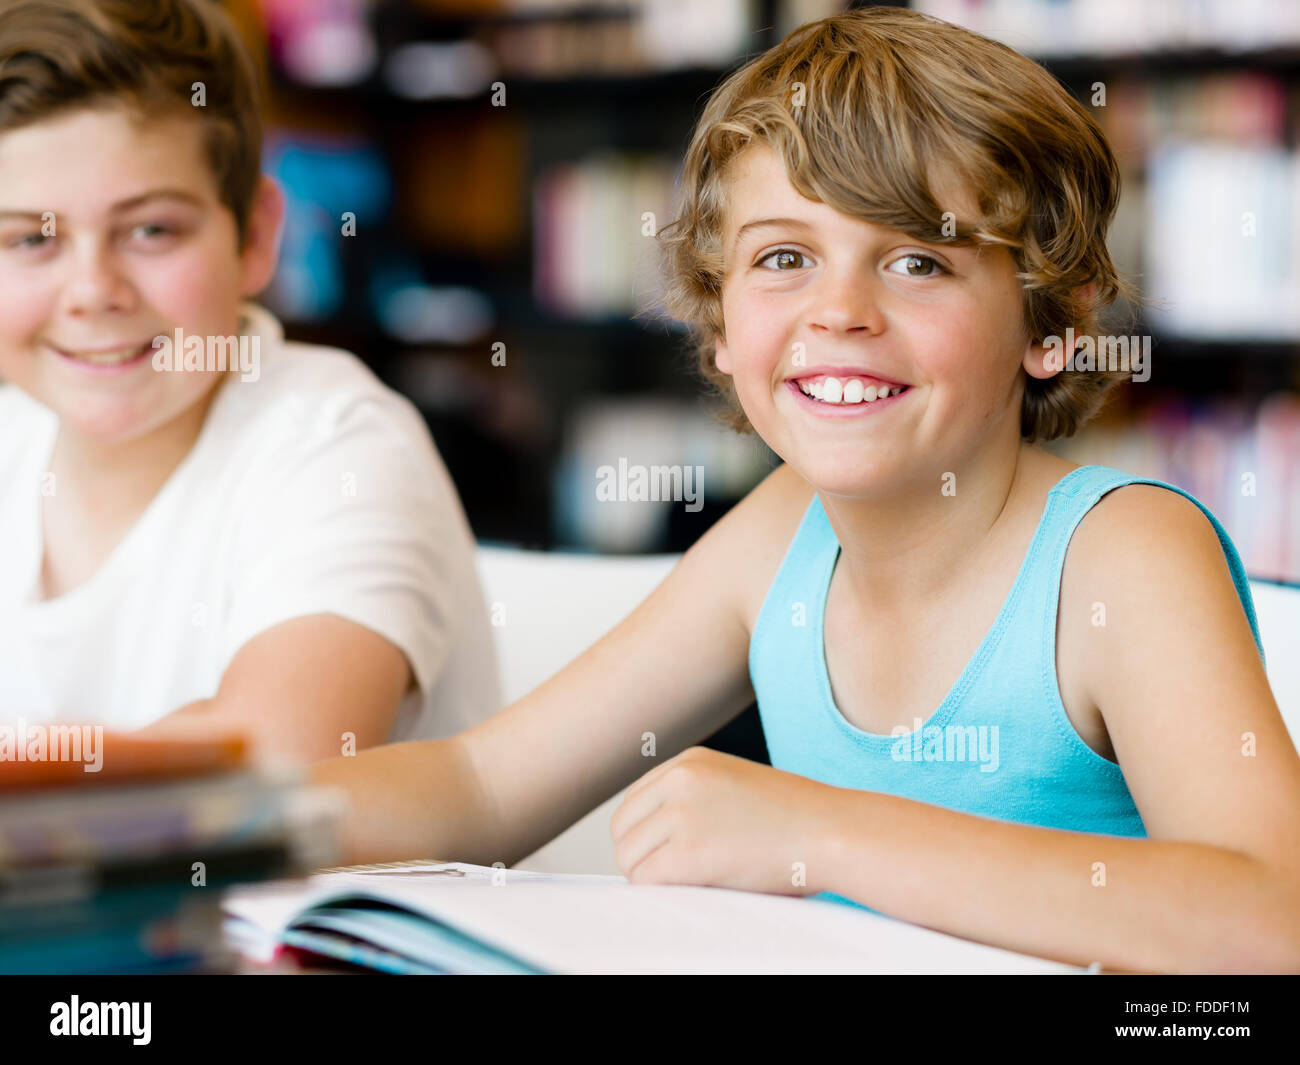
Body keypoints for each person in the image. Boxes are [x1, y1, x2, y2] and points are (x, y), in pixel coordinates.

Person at [309, 7, 1300, 972]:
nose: (839, 312)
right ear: (718, 323)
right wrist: (208, 829)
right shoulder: (782, 533)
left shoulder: (1124, 555)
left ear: (1049, 322)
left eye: (918, 259)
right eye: (784, 257)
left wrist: (819, 835)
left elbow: (1274, 923)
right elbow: (482, 788)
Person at [0, 0, 500, 765]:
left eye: (151, 229)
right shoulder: (14, 432)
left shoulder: (340, 445)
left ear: (258, 236)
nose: (92, 290)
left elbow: (268, 764)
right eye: (33, 238)